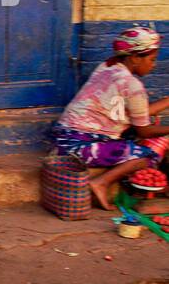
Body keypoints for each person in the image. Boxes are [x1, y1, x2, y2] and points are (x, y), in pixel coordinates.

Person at [50, 26, 169, 210]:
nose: (153, 65)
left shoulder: (107, 67)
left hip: (64, 138)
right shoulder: (132, 85)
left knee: (132, 136)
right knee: (147, 156)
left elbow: (139, 112)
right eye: (151, 59)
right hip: (80, 146)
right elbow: (144, 131)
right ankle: (101, 182)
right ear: (135, 58)